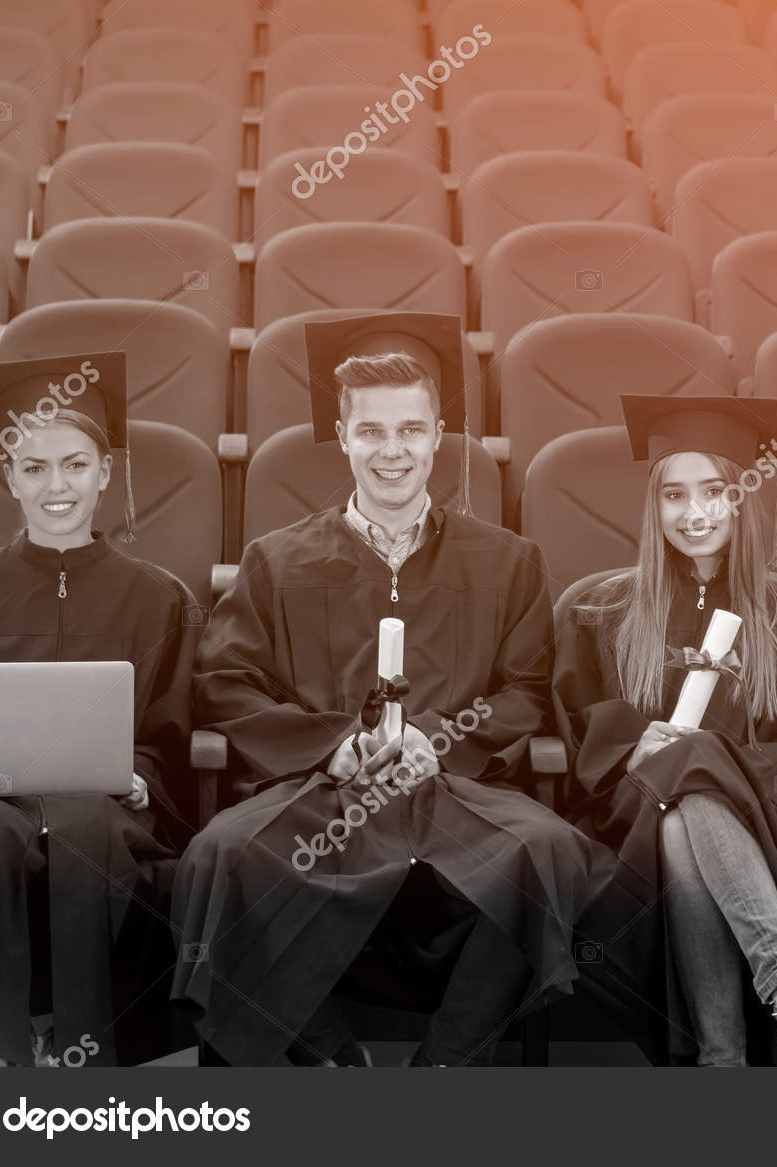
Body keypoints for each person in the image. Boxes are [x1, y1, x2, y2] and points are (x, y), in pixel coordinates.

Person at [171, 311, 609, 1067]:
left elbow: (527, 688)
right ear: (341, 437)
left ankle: (445, 1062)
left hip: (452, 791)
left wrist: (435, 742)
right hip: (324, 787)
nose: (392, 451)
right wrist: (334, 746)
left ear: (440, 435)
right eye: (371, 432)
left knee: (550, 851)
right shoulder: (278, 559)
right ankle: (333, 1062)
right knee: (219, 853)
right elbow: (225, 682)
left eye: (410, 430)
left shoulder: (507, 562)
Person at [554, 396, 777, 1066]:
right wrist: (635, 749)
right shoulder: (605, 611)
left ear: (745, 499)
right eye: (674, 495)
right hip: (630, 817)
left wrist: (726, 763)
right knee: (677, 789)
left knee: (691, 799)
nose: (694, 512)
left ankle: (723, 1056)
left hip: (763, 818)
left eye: (715, 492)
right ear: (655, 506)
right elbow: (585, 736)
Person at [0, 353, 197, 1066]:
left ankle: (83, 1050)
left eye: (73, 464)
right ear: (8, 478)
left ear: (104, 472)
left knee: (86, 822)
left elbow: (169, 732)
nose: (56, 485)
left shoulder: (159, 597)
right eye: (34, 468)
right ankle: (11, 1054)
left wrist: (138, 777)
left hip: (102, 806)